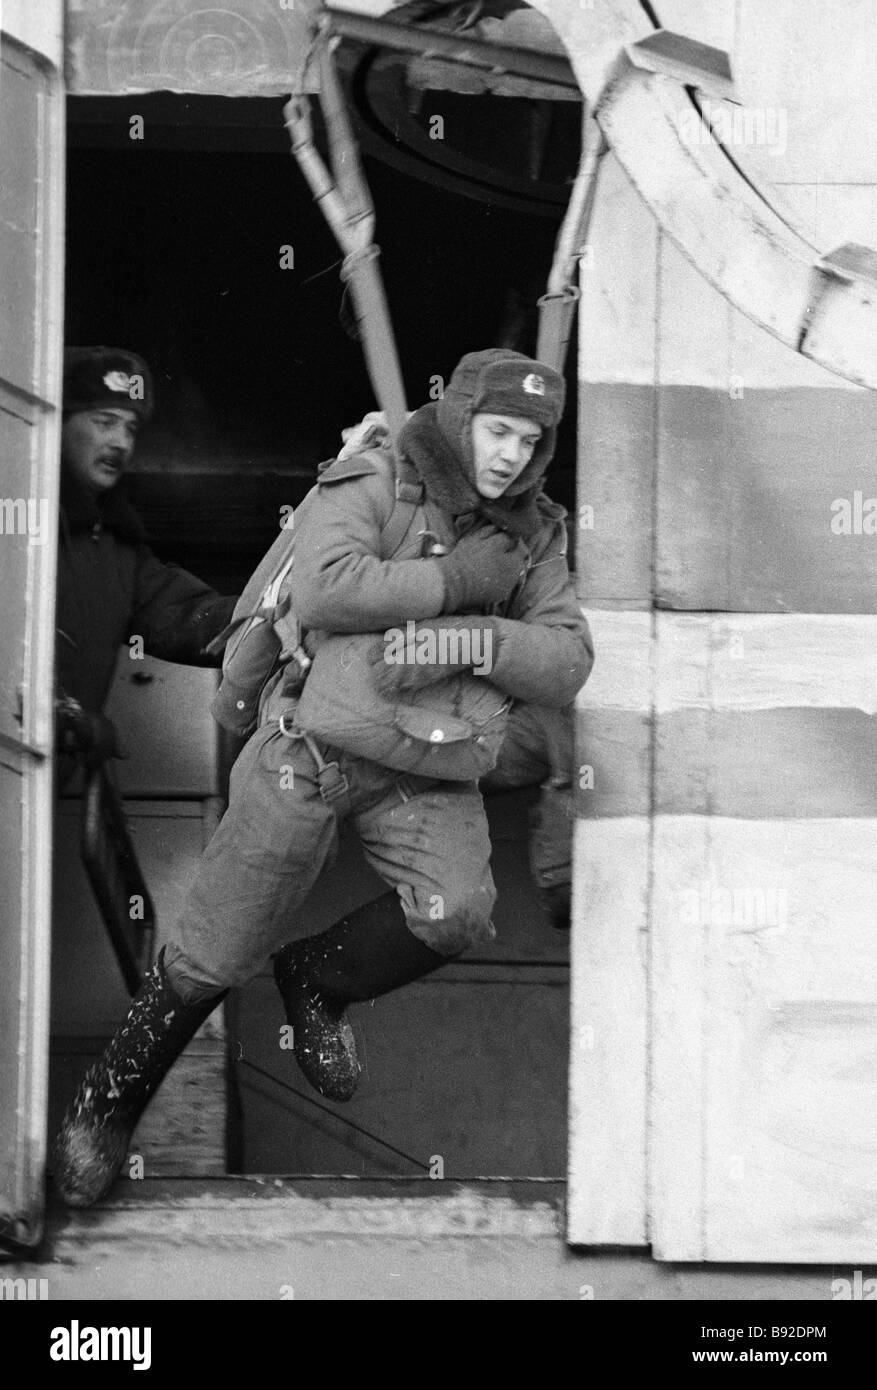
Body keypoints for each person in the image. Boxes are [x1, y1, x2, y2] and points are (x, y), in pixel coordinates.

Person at [52, 347, 594, 1207]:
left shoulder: (536, 536)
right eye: (496, 432)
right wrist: (456, 581)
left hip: (428, 768)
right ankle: (107, 1106)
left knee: (457, 913)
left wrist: (479, 639)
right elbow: (330, 590)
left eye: (530, 442)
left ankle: (316, 982)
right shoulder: (374, 478)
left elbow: (567, 661)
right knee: (212, 949)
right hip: (311, 750)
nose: (510, 457)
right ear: (457, 419)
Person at [55, 346, 237, 782]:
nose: (120, 443)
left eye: (130, 428)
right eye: (104, 422)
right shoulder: (19, 525)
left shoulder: (118, 552)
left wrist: (290, 617)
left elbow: (192, 619)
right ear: (53, 423)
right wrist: (57, 707)